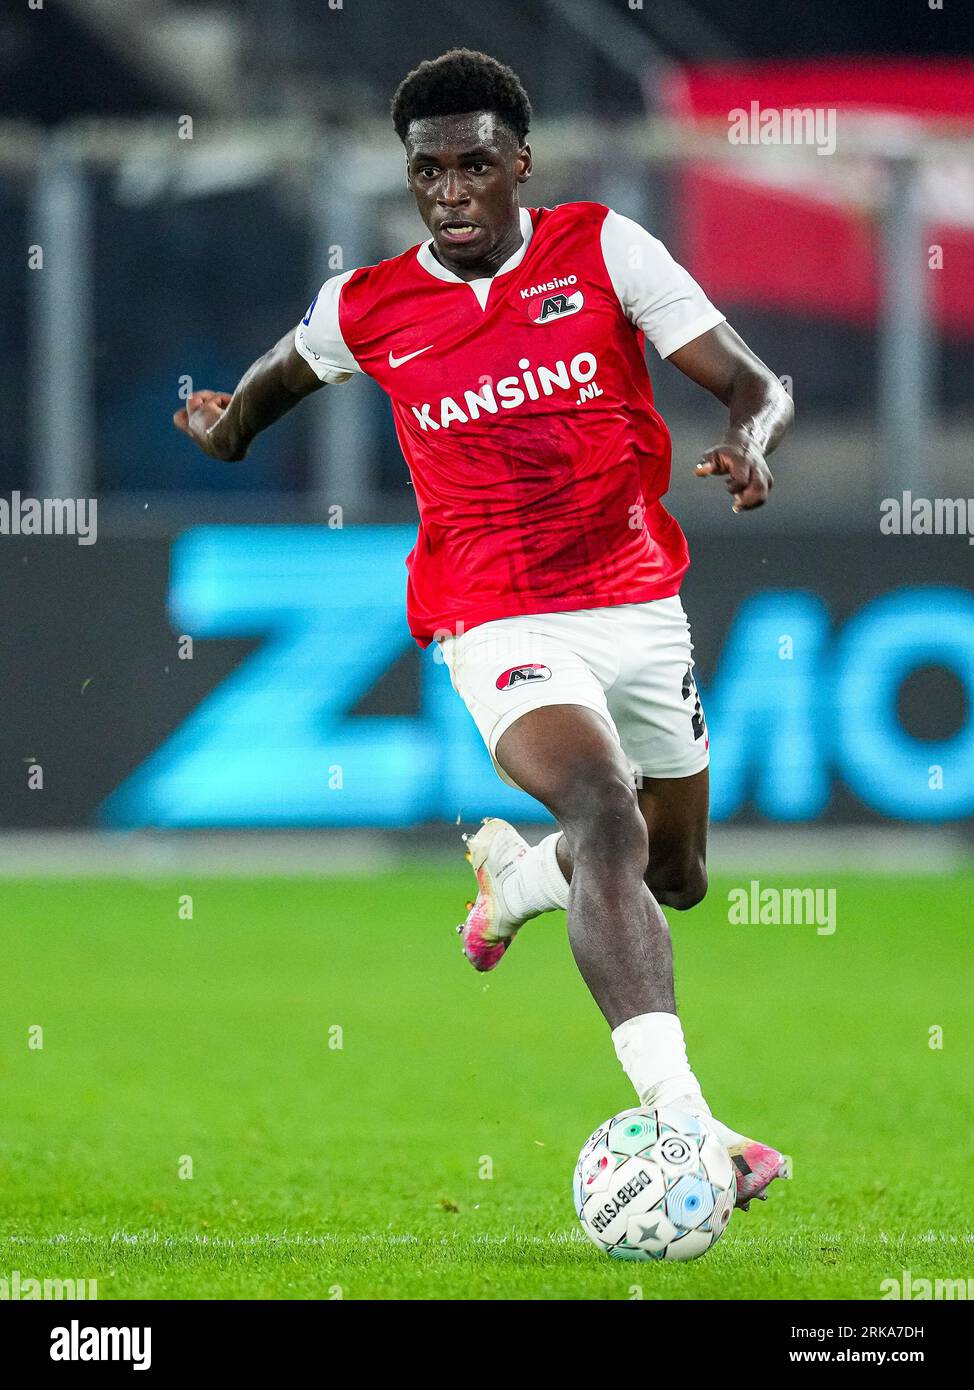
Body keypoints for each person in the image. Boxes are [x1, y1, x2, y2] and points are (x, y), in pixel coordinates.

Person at [174, 48, 794, 1208]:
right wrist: (222, 430)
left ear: (519, 165)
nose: (449, 190)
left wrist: (752, 443)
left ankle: (514, 885)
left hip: (635, 594)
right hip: (491, 609)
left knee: (677, 870)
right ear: (408, 180)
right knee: (601, 807)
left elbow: (753, 383)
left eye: (472, 165)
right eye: (426, 172)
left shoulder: (603, 250)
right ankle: (688, 1130)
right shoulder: (366, 305)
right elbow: (266, 391)